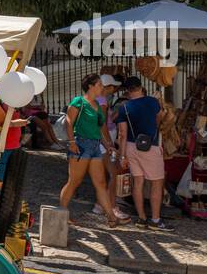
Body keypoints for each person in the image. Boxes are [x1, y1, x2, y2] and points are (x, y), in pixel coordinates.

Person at [59, 73, 124, 228]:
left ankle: (111, 217)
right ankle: (61, 214)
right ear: (90, 86)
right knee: (74, 181)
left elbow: (99, 129)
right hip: (80, 144)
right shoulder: (79, 101)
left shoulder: (97, 106)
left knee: (100, 183)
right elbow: (69, 121)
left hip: (95, 146)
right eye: (99, 84)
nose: (102, 87)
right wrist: (72, 142)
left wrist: (107, 145)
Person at [114, 77, 170, 230]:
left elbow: (122, 134)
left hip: (131, 147)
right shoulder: (152, 102)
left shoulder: (124, 108)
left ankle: (141, 218)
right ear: (141, 87)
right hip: (149, 146)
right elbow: (159, 118)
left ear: (127, 91)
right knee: (156, 183)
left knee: (137, 183)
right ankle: (155, 220)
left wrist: (122, 156)